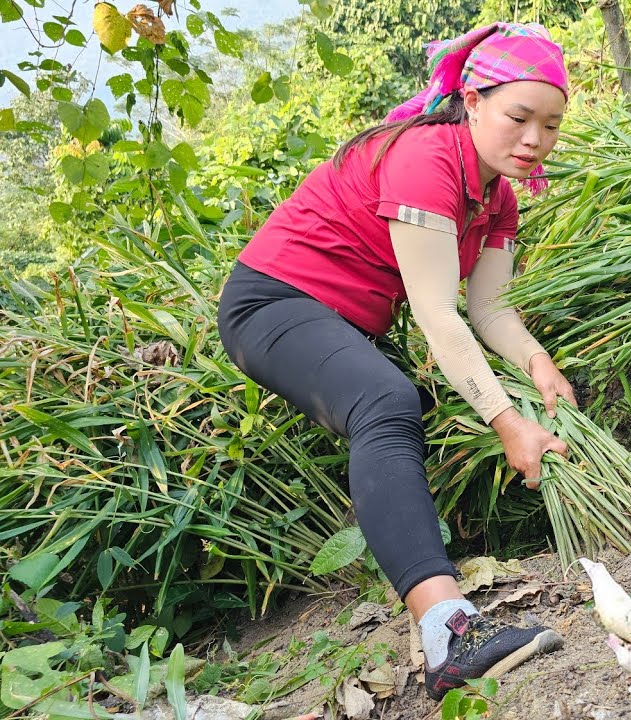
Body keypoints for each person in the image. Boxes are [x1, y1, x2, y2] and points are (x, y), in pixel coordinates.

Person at [216, 22, 576, 700]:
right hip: (271, 303)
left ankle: (439, 620)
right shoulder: (427, 159)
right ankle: (448, 634)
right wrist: (506, 422)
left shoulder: (496, 196)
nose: (534, 139)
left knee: (402, 402)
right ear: (473, 100)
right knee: (385, 400)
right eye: (519, 117)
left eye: (551, 125)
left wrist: (539, 365)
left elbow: (490, 310)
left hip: (340, 321)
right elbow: (436, 312)